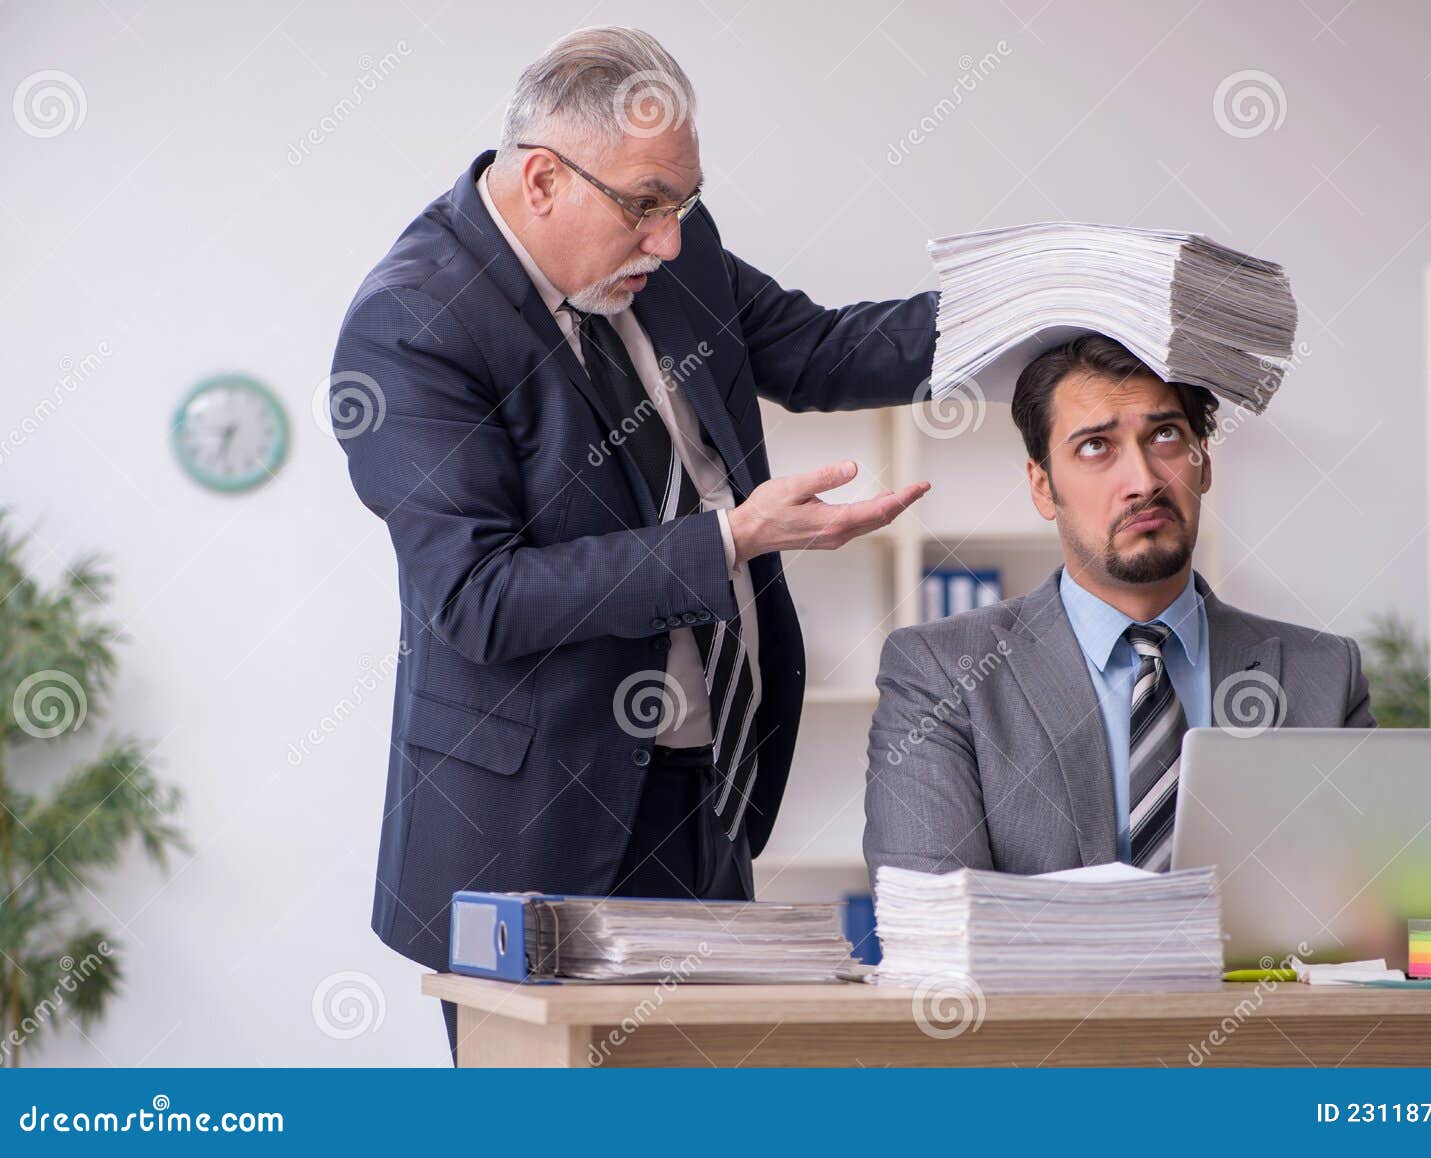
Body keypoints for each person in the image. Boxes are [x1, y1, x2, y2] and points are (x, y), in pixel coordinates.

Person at [330, 27, 936, 1062]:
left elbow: (825, 352)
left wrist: (1028, 305)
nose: (668, 239)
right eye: (645, 205)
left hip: (706, 787)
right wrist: (730, 541)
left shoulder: (673, 253)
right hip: (530, 826)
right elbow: (477, 597)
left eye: (682, 205)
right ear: (541, 180)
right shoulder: (410, 325)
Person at [863, 333, 1374, 881]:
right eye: (1095, 446)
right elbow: (936, 922)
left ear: (1203, 463)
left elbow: (1362, 900)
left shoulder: (1324, 672)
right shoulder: (941, 671)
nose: (1145, 481)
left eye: (1165, 435)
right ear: (1042, 487)